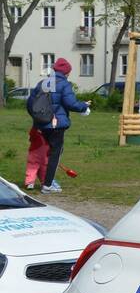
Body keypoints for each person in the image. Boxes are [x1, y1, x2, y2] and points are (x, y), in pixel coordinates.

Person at [31, 58, 89, 194]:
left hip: (41, 123)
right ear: (66, 72)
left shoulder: (43, 82)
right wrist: (84, 106)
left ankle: (40, 180)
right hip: (56, 125)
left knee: (44, 153)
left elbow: (31, 103)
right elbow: (71, 104)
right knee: (55, 154)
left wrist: (36, 118)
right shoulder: (64, 84)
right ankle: (48, 185)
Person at [24, 126, 48, 191]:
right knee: (44, 169)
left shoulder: (35, 130)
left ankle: (30, 183)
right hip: (45, 153)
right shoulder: (49, 131)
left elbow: (31, 137)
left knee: (32, 168)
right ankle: (45, 183)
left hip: (35, 153)